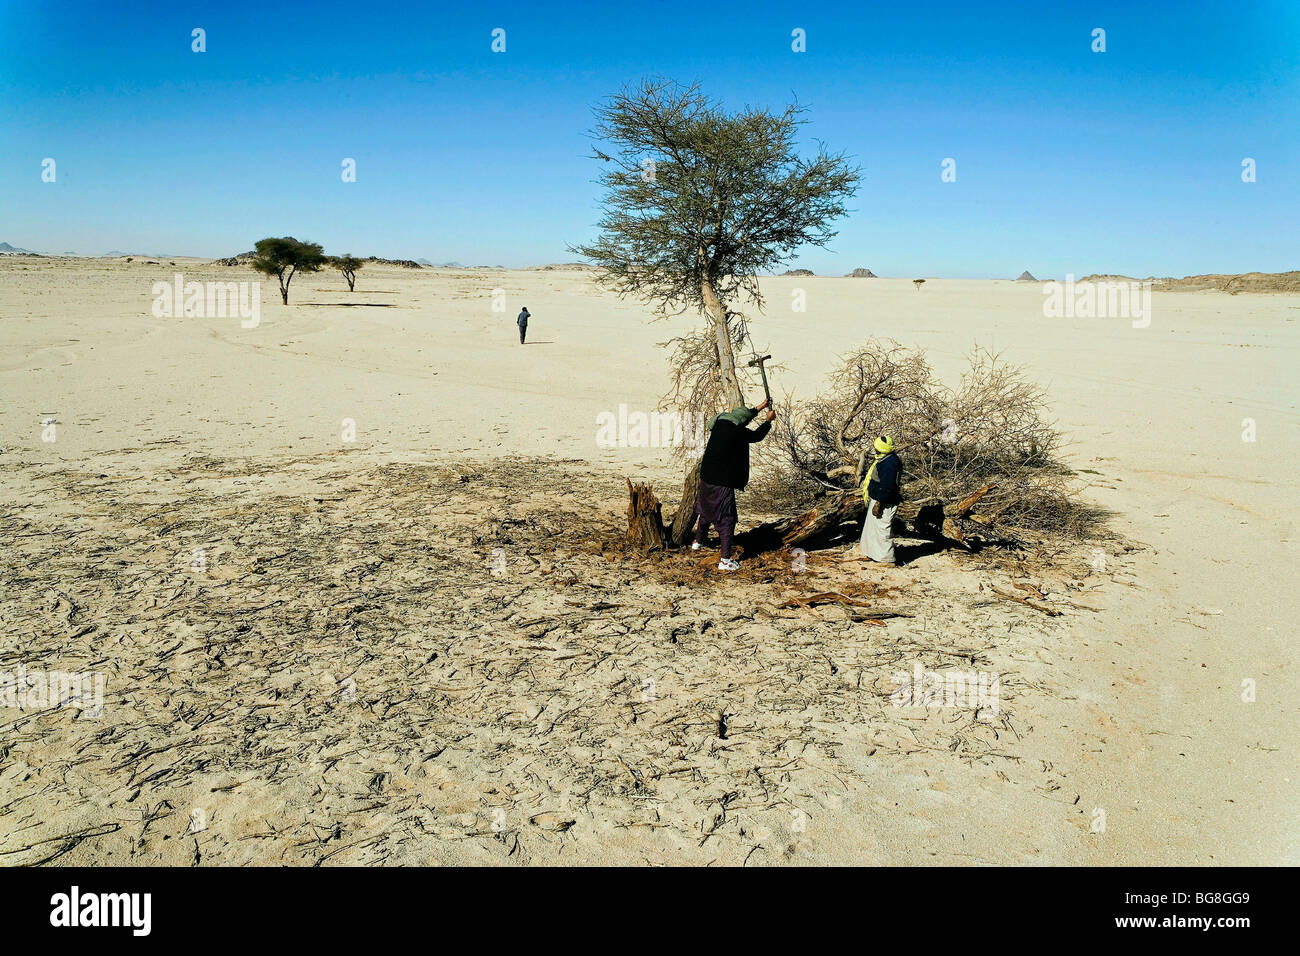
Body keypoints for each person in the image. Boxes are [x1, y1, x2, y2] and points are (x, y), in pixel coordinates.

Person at [693, 398, 775, 571]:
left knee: (706, 510)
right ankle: (725, 560)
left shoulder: (720, 424)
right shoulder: (737, 432)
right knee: (727, 518)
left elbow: (742, 416)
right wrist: (768, 421)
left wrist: (760, 406)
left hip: (707, 476)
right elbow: (756, 436)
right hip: (722, 481)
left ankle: (698, 542)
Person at [859, 435, 902, 565]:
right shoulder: (886, 459)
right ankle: (875, 554)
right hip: (880, 498)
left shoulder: (889, 463)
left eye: (877, 448)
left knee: (883, 529)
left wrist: (879, 503)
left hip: (885, 502)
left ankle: (886, 560)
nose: (875, 450)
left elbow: (887, 486)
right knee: (874, 529)